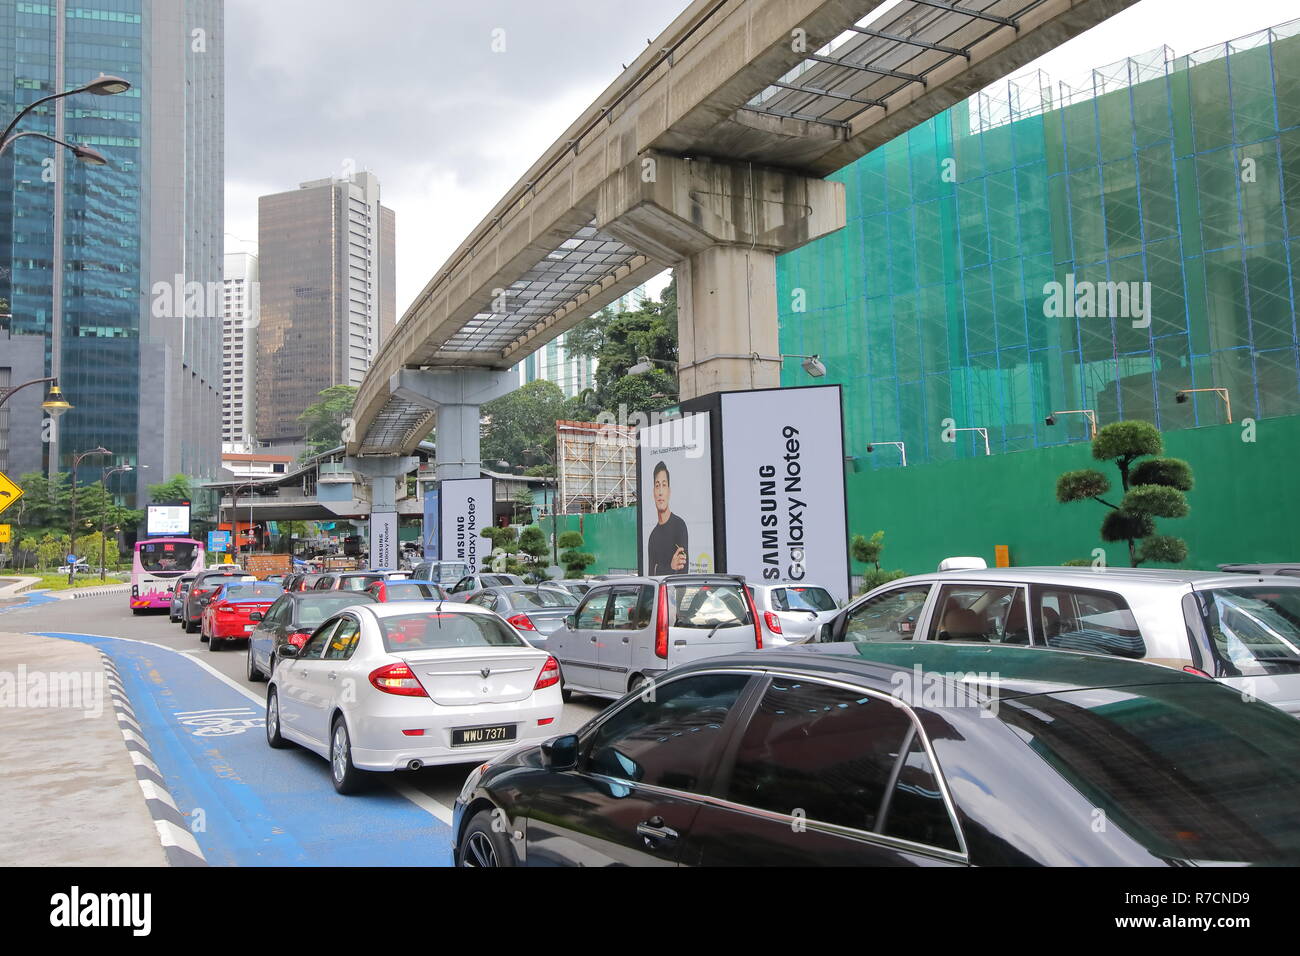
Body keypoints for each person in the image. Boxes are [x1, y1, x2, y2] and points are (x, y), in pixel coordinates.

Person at [646, 461, 688, 575]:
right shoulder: (653, 536)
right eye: (657, 485)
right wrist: (670, 567)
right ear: (653, 492)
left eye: (664, 485)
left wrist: (659, 569)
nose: (660, 492)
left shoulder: (679, 526)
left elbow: (683, 571)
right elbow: (651, 577)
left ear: (669, 491)